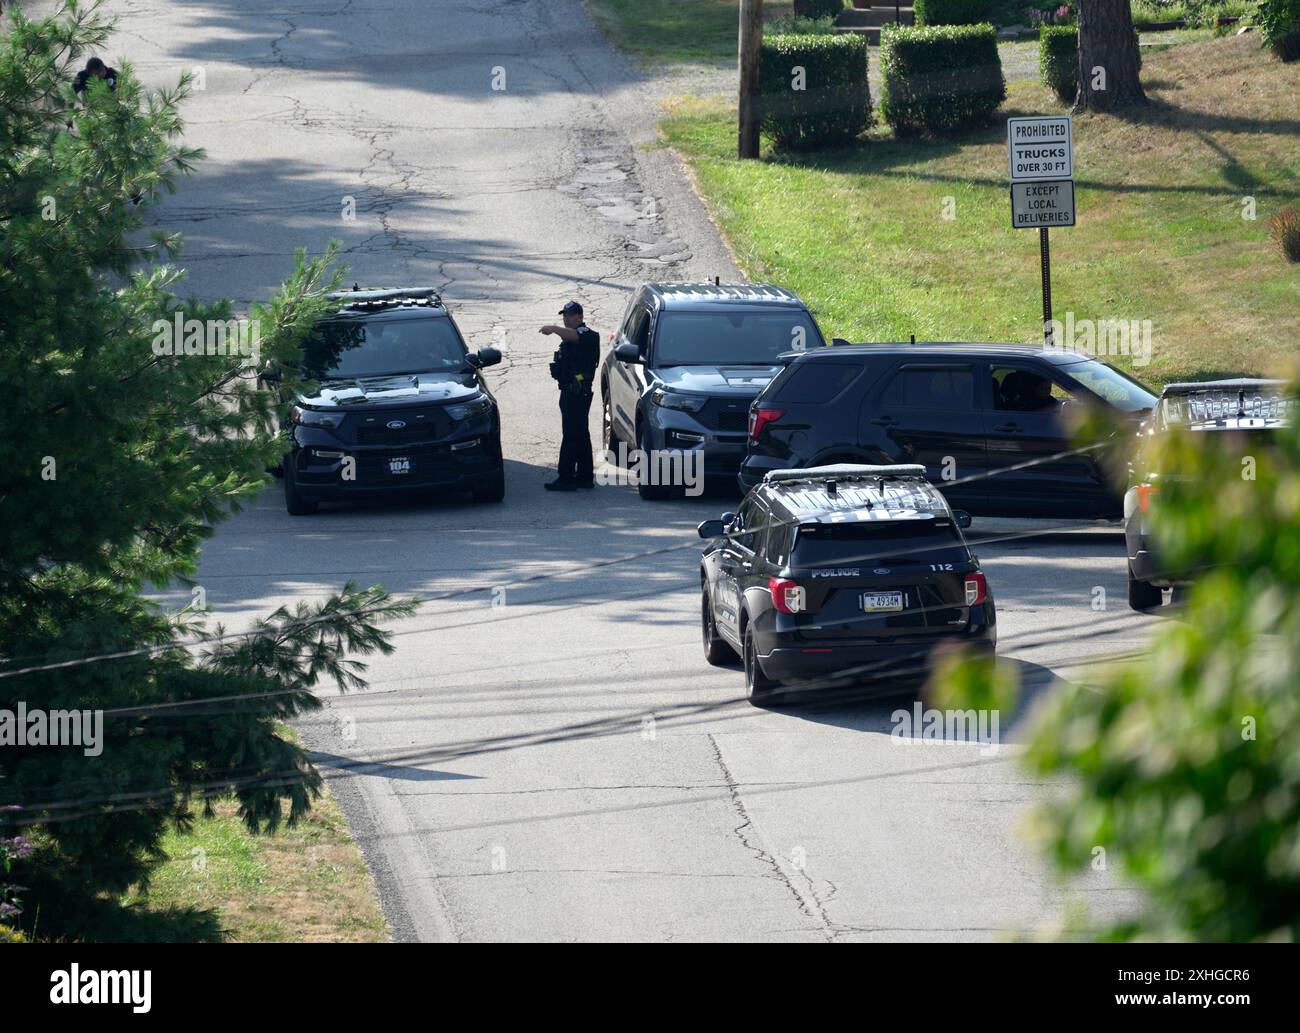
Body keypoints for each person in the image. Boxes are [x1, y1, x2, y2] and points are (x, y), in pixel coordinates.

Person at [540, 301, 600, 491]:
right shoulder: (569, 338)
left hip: (578, 393)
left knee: (571, 435)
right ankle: (584, 476)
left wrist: (553, 328)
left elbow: (576, 336)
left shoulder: (587, 335)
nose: (566, 318)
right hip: (570, 391)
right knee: (580, 434)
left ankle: (565, 478)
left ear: (580, 317)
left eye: (570, 315)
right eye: (564, 315)